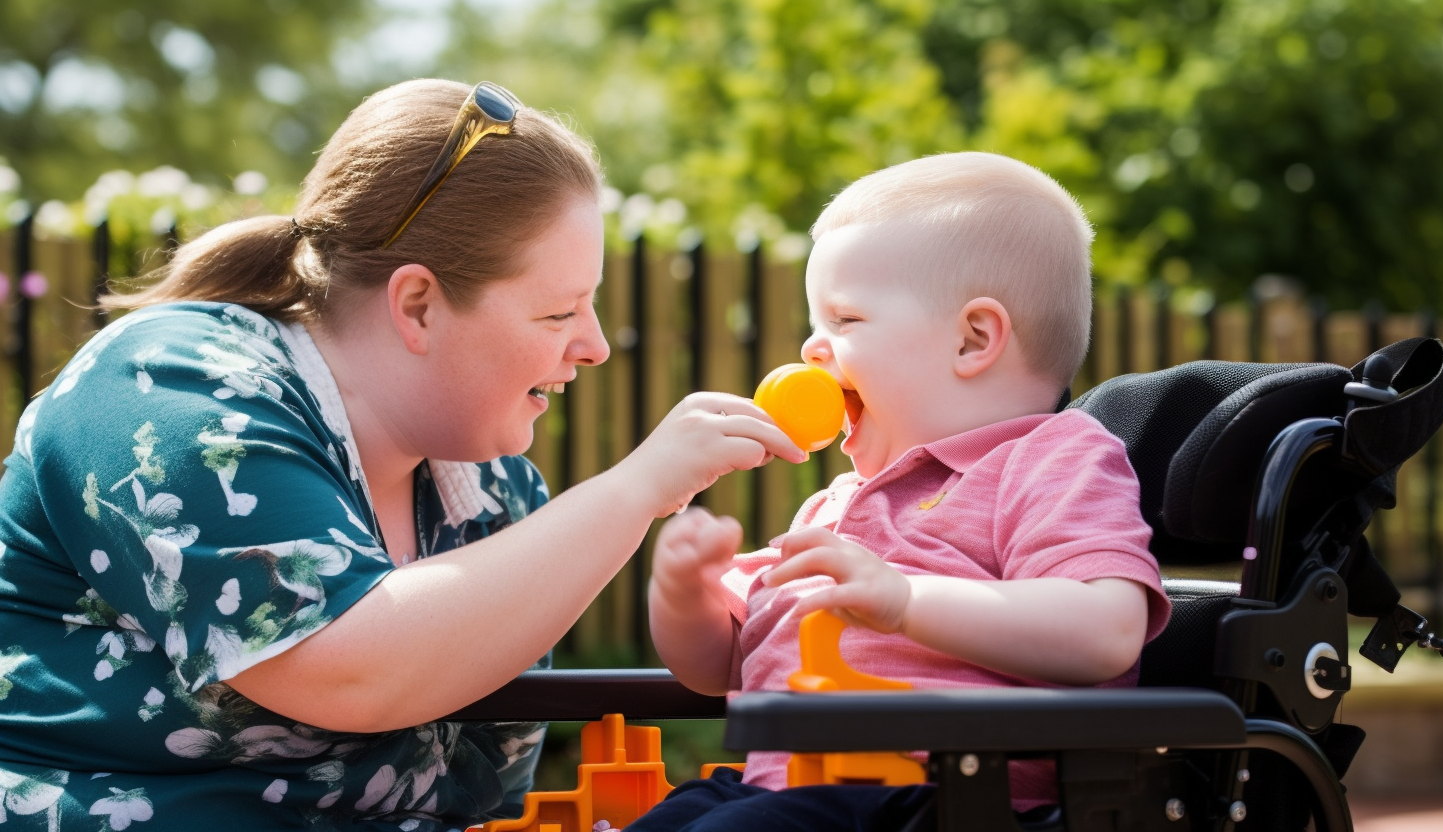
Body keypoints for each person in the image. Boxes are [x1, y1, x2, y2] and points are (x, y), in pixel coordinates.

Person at [0, 79, 804, 831]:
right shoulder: (165, 392)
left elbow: (486, 792)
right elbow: (348, 666)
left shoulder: (496, 500)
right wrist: (636, 490)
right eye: (559, 312)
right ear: (417, 305)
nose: (592, 347)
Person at [633, 152, 1173, 831]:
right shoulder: (836, 508)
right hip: (782, 791)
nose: (810, 350)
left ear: (974, 340)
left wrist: (905, 600)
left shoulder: (1050, 460)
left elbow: (1106, 632)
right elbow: (722, 668)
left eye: (845, 321)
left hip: (942, 803)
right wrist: (684, 595)